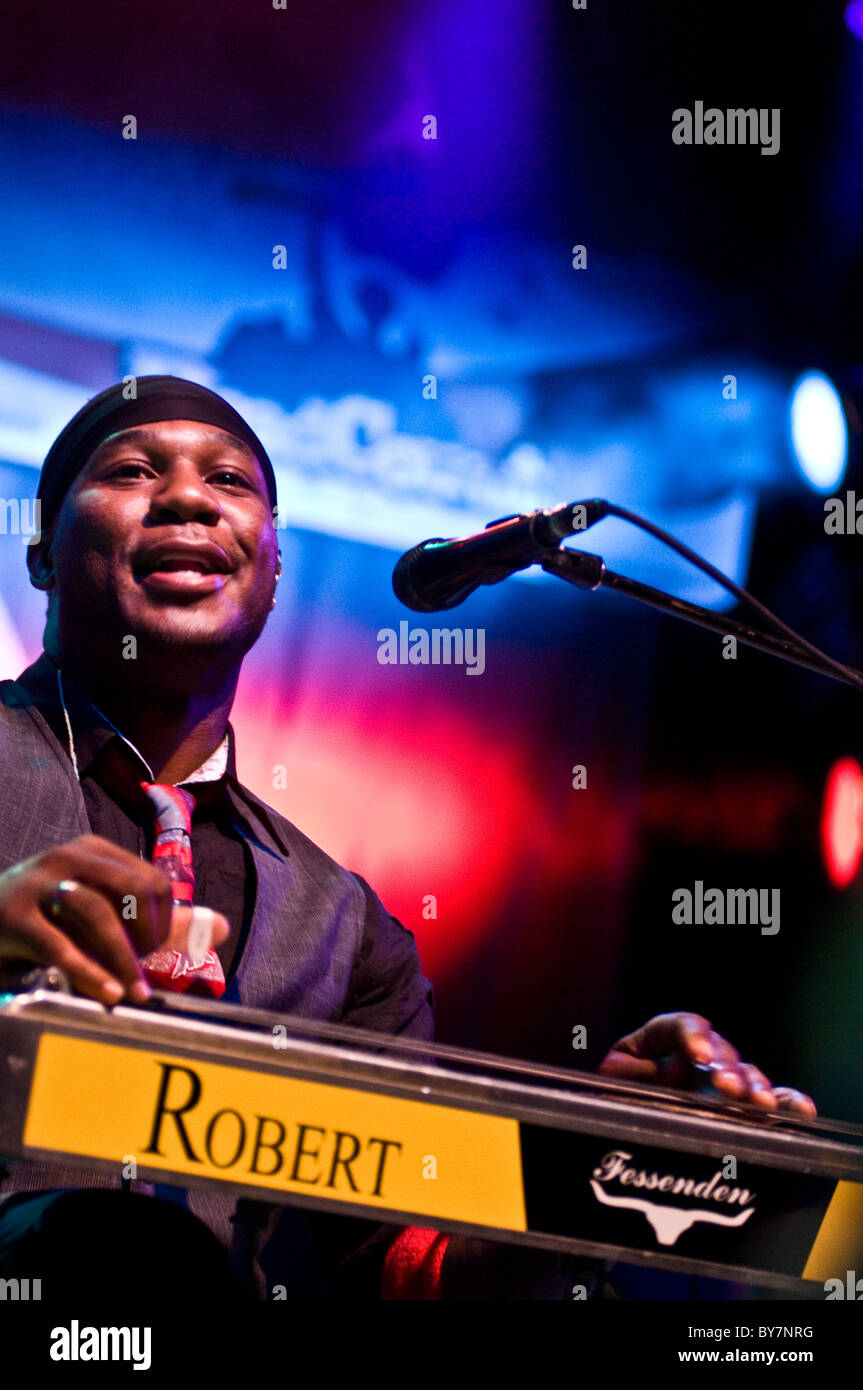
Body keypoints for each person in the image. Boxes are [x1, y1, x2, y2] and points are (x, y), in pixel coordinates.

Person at [0, 376, 816, 1300]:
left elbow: (394, 1270)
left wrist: (599, 1176)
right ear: (40, 552)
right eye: (134, 469)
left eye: (230, 482)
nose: (188, 496)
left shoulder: (348, 931)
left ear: (271, 577)